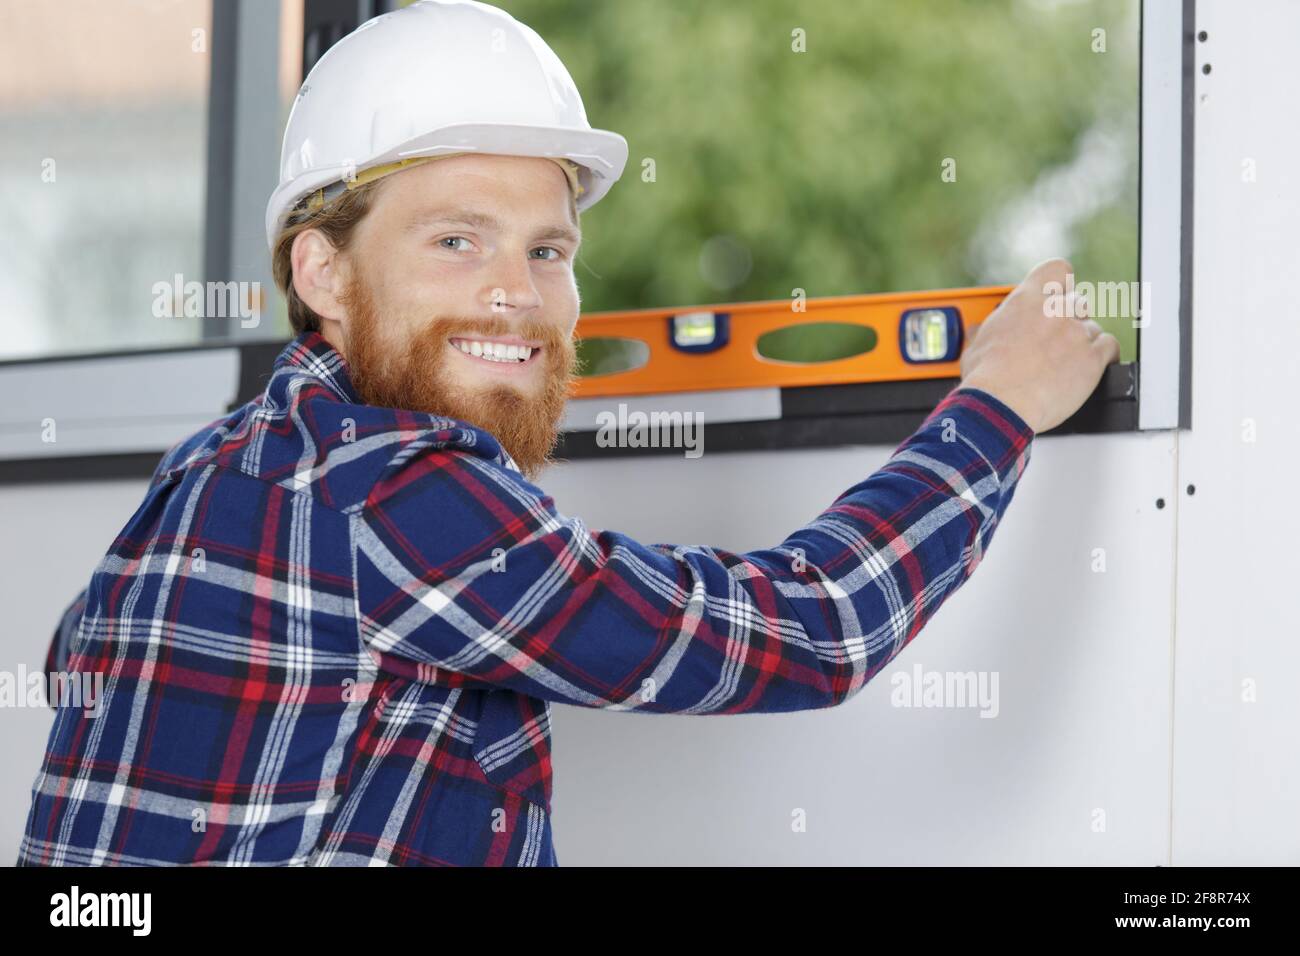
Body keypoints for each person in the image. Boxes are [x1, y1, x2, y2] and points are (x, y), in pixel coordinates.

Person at [18, 0, 1118, 867]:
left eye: (547, 251)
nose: (515, 294)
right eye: (457, 239)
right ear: (322, 270)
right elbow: (809, 629)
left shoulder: (209, 473)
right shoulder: (384, 490)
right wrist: (995, 407)